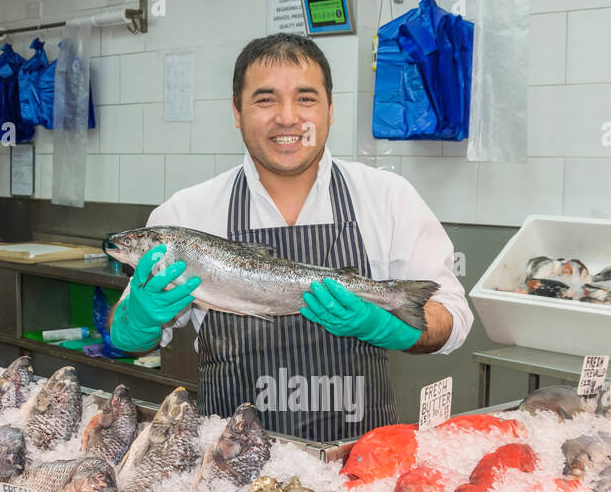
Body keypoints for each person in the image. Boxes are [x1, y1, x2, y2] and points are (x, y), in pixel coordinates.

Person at [109, 33, 472, 442]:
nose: (287, 117)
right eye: (265, 100)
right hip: (230, 465)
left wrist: (395, 328)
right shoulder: (186, 213)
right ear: (237, 112)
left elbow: (452, 318)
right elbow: (130, 337)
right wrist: (136, 322)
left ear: (330, 110)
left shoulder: (387, 198)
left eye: (306, 98)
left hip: (356, 460)